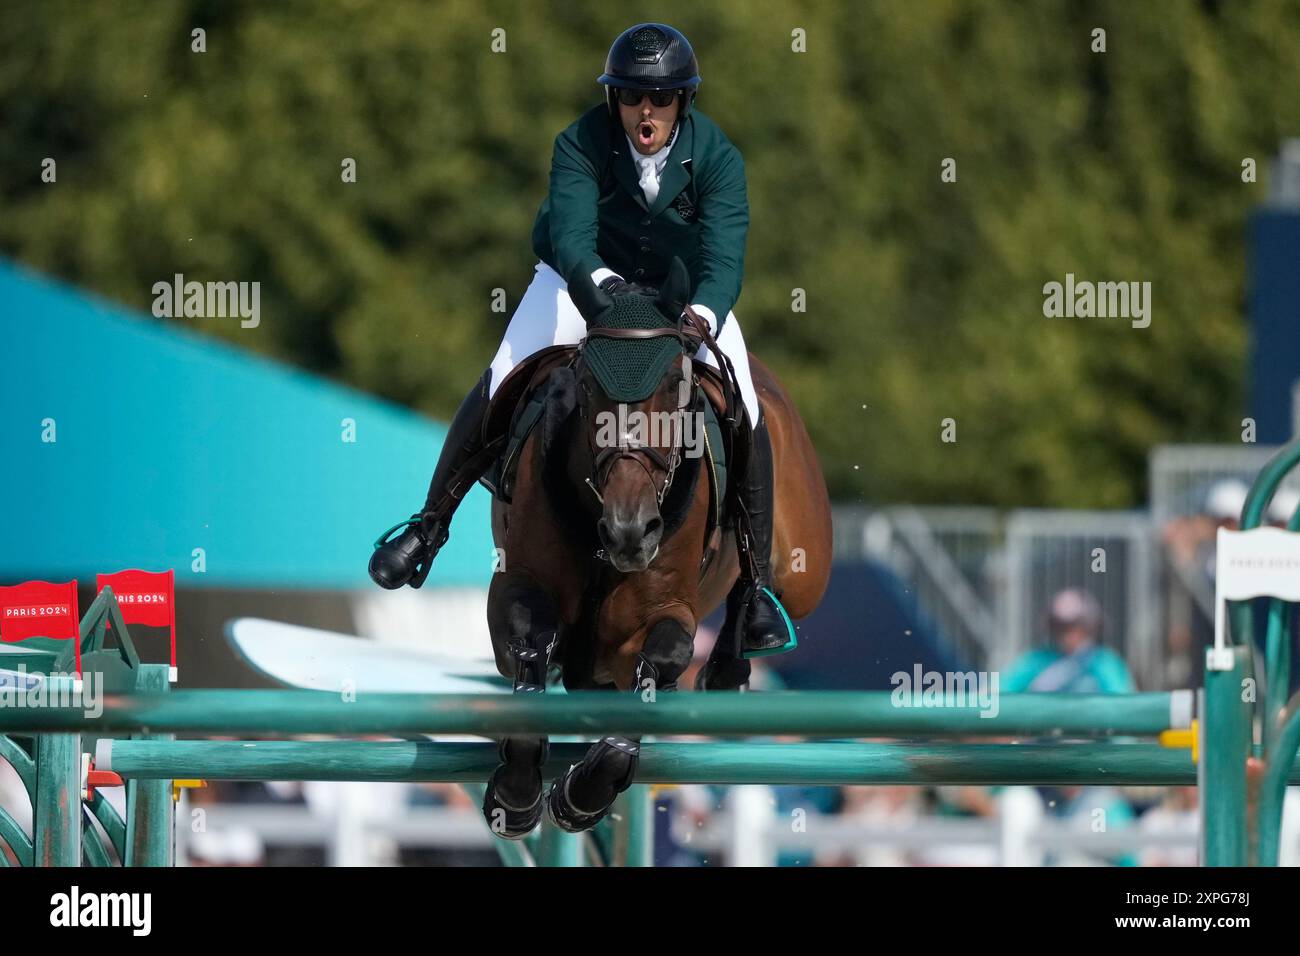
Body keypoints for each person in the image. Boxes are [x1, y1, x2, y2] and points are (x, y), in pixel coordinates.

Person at [368, 23, 795, 655]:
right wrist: (596, 295)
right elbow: (571, 236)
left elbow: (724, 259)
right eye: (629, 97)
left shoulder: (718, 159)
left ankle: (755, 586)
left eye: (658, 98)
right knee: (503, 374)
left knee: (747, 405)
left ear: (682, 100)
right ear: (613, 99)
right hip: (581, 282)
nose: (643, 112)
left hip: (679, 297)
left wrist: (703, 316)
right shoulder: (580, 142)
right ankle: (430, 527)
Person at [1003, 588, 1134, 693]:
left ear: (1090, 626)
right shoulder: (1038, 659)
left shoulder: (1103, 661)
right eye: (1060, 626)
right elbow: (1000, 689)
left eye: (1076, 625)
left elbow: (1122, 701)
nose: (1068, 634)